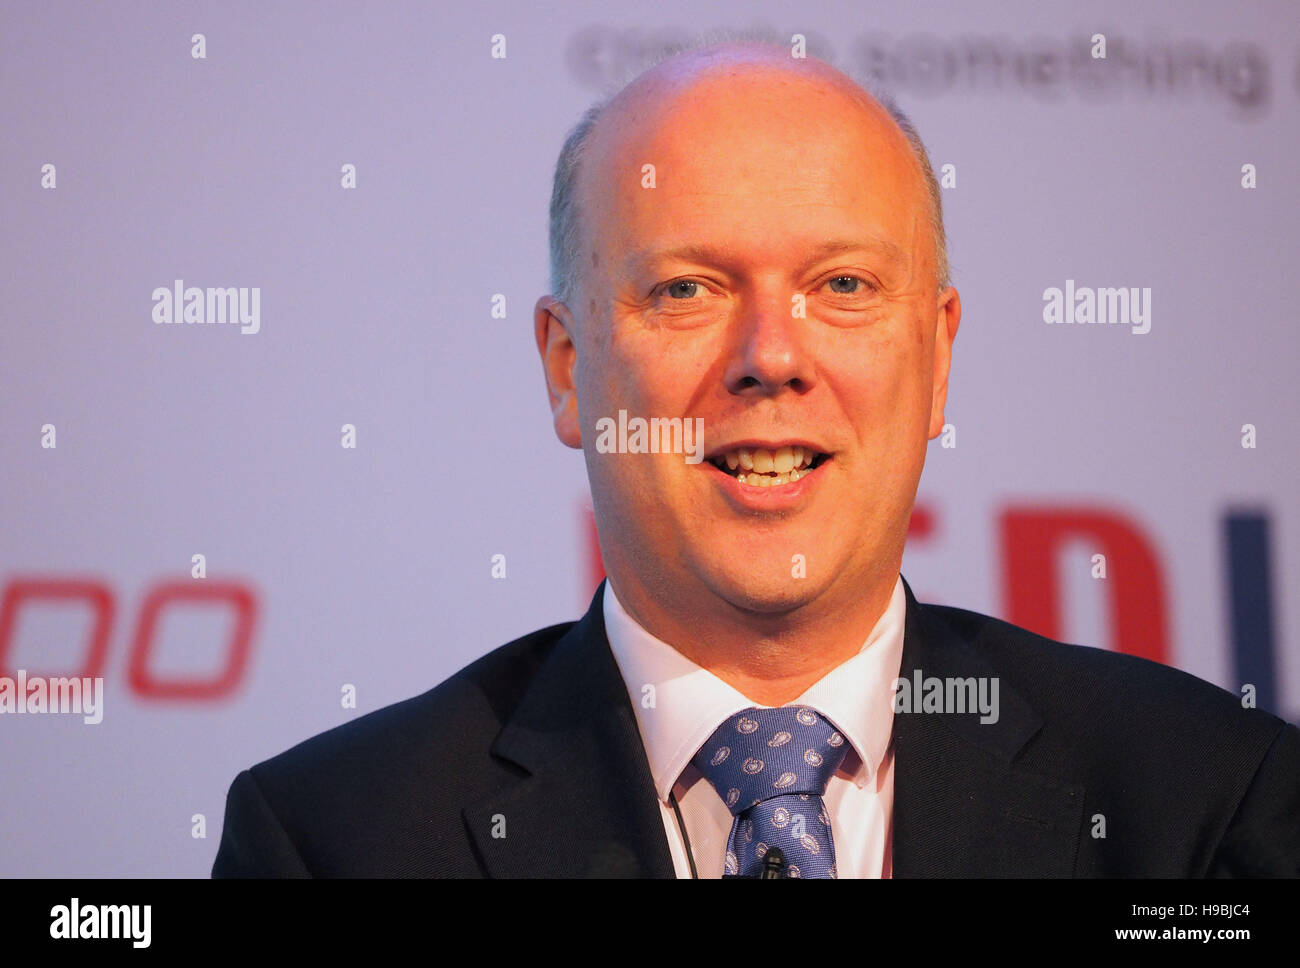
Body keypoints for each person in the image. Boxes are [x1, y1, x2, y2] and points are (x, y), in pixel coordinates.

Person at [212, 40, 1299, 878]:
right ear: (565, 367)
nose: (771, 357)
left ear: (936, 357)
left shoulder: (1202, 799)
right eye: (686, 289)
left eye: (843, 286)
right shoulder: (338, 839)